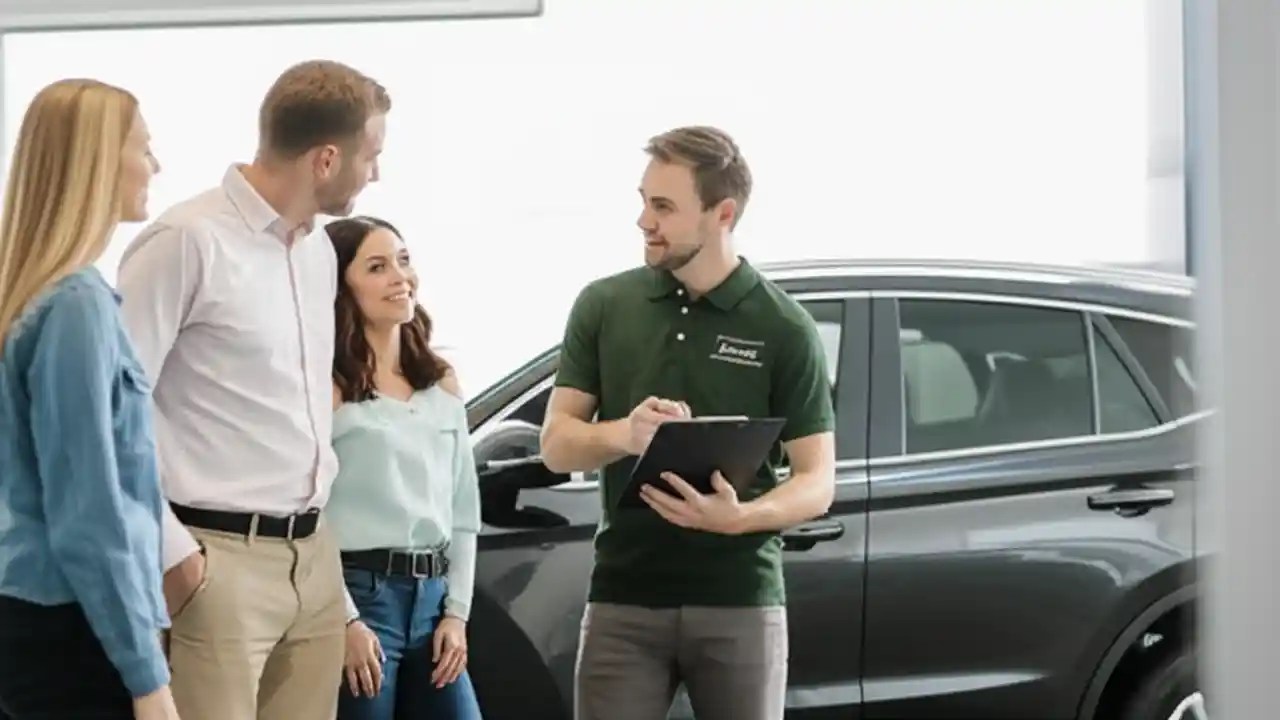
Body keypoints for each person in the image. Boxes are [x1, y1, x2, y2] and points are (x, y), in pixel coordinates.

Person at [115, 60, 390, 720]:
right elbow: (109, 414)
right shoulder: (185, 242)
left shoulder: (318, 252)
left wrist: (338, 593)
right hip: (216, 565)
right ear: (326, 159)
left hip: (315, 564)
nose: (375, 173)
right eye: (371, 156)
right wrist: (174, 556)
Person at [539, 126, 837, 720]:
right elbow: (556, 446)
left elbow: (816, 482)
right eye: (644, 201)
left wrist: (740, 518)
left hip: (740, 604)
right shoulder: (603, 305)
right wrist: (624, 433)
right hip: (624, 599)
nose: (644, 221)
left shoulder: (785, 328)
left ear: (721, 213)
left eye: (664, 207)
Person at [0, 79, 178, 719]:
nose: (154, 166)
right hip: (76, 631)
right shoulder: (77, 304)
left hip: (40, 621)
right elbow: (89, 511)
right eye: (145, 147)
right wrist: (146, 676)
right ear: (99, 159)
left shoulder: (30, 296)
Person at [323, 215, 483, 720]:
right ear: (341, 289)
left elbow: (463, 511)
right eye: (377, 266)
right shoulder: (328, 391)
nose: (400, 277)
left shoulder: (441, 384)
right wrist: (346, 621)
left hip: (434, 602)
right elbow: (309, 518)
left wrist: (456, 614)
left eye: (403, 261)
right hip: (361, 599)